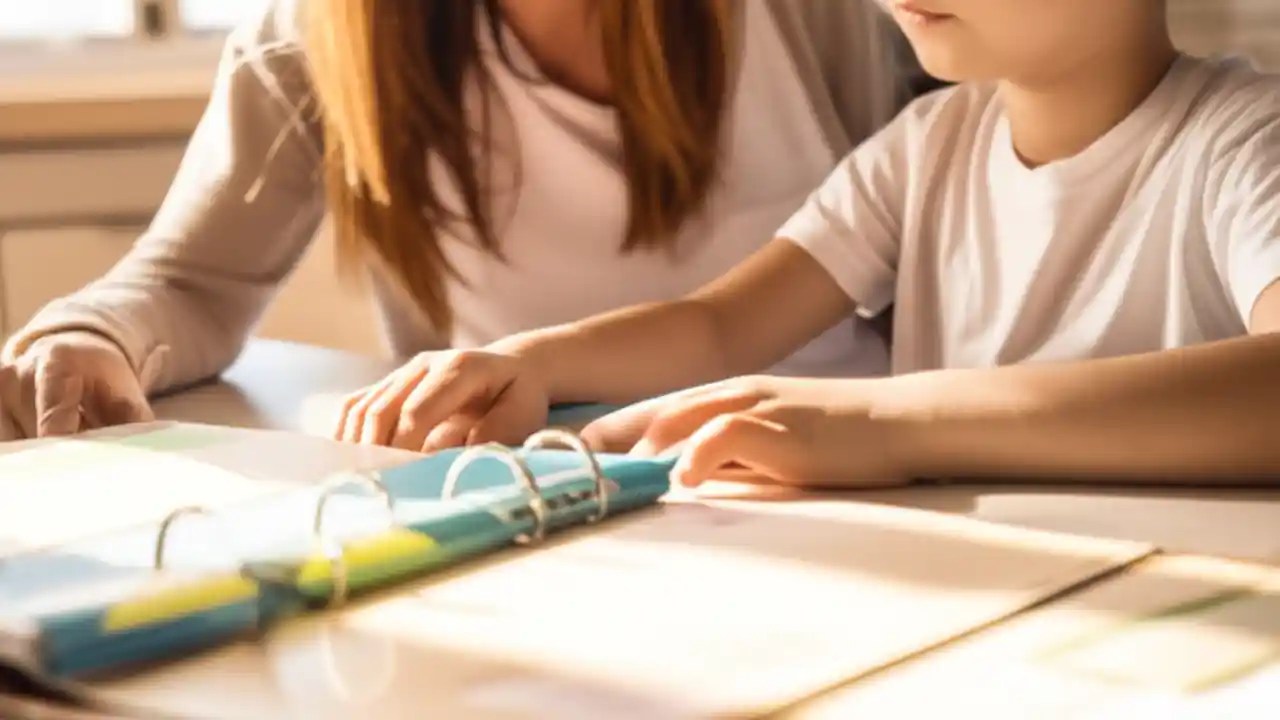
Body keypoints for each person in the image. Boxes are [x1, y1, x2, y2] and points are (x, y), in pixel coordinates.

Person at [345, 0, 1280, 489]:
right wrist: (535, 363)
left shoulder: (1245, 141)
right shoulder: (925, 149)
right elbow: (723, 326)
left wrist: (885, 423)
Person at [0, 0, 907, 439]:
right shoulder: (318, 40)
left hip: (837, 469)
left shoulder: (826, 15)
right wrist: (93, 335)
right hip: (527, 501)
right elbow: (189, 281)